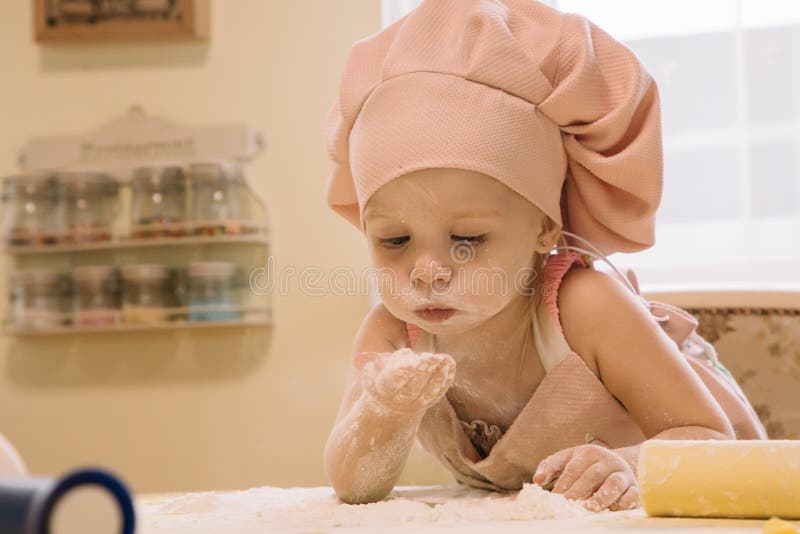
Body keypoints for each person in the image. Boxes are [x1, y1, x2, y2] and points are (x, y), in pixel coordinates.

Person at [322, 0, 766, 511]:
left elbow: (711, 438)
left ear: (544, 228)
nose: (427, 273)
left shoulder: (583, 308)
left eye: (466, 239)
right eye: (394, 240)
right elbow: (354, 485)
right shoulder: (395, 333)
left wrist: (632, 464)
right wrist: (384, 412)